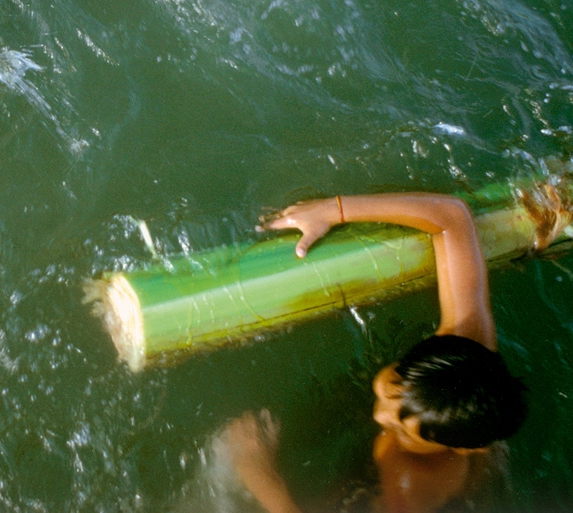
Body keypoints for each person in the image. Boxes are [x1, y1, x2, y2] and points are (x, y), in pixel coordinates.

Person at [218, 191, 529, 513]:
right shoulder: (464, 346)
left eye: (399, 428)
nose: (379, 415)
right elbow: (452, 217)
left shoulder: (413, 489)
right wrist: (332, 210)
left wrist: (261, 474)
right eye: (390, 387)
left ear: (458, 450)